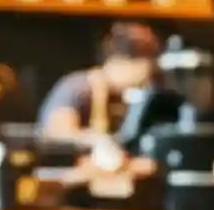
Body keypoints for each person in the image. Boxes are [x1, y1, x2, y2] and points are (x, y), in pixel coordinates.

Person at [37, 22, 175, 139]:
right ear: (120, 62)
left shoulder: (133, 97)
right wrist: (99, 99)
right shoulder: (77, 87)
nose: (146, 81)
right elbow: (59, 138)